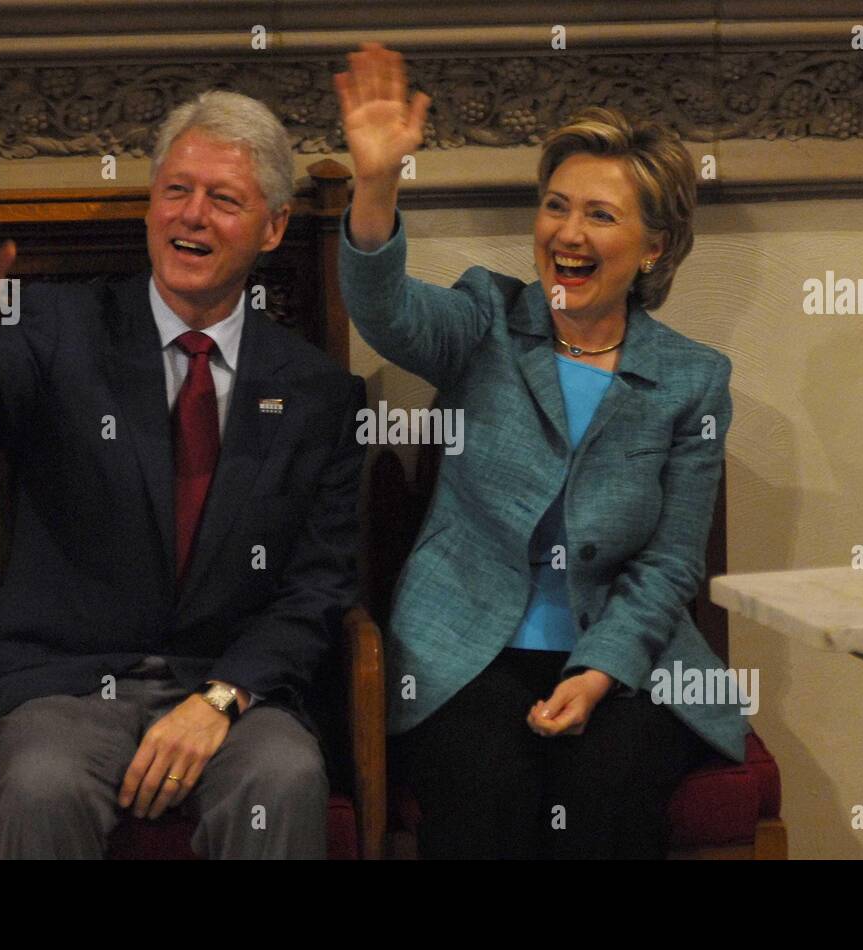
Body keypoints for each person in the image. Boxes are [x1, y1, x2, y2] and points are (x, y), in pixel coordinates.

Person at [0, 91, 366, 859]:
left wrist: (221, 698)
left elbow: (319, 587)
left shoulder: (318, 394)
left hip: (232, 689)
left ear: (274, 227)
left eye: (223, 199)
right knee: (43, 786)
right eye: (176, 191)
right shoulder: (60, 329)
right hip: (61, 687)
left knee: (283, 778)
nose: (191, 216)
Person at [335, 43, 749, 859]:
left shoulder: (693, 381)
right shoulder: (485, 320)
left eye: (600, 215)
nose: (568, 232)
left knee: (609, 796)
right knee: (488, 797)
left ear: (654, 247)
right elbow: (383, 313)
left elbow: (669, 566)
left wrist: (597, 673)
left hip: (625, 655)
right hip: (463, 654)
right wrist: (377, 181)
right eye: (556, 207)